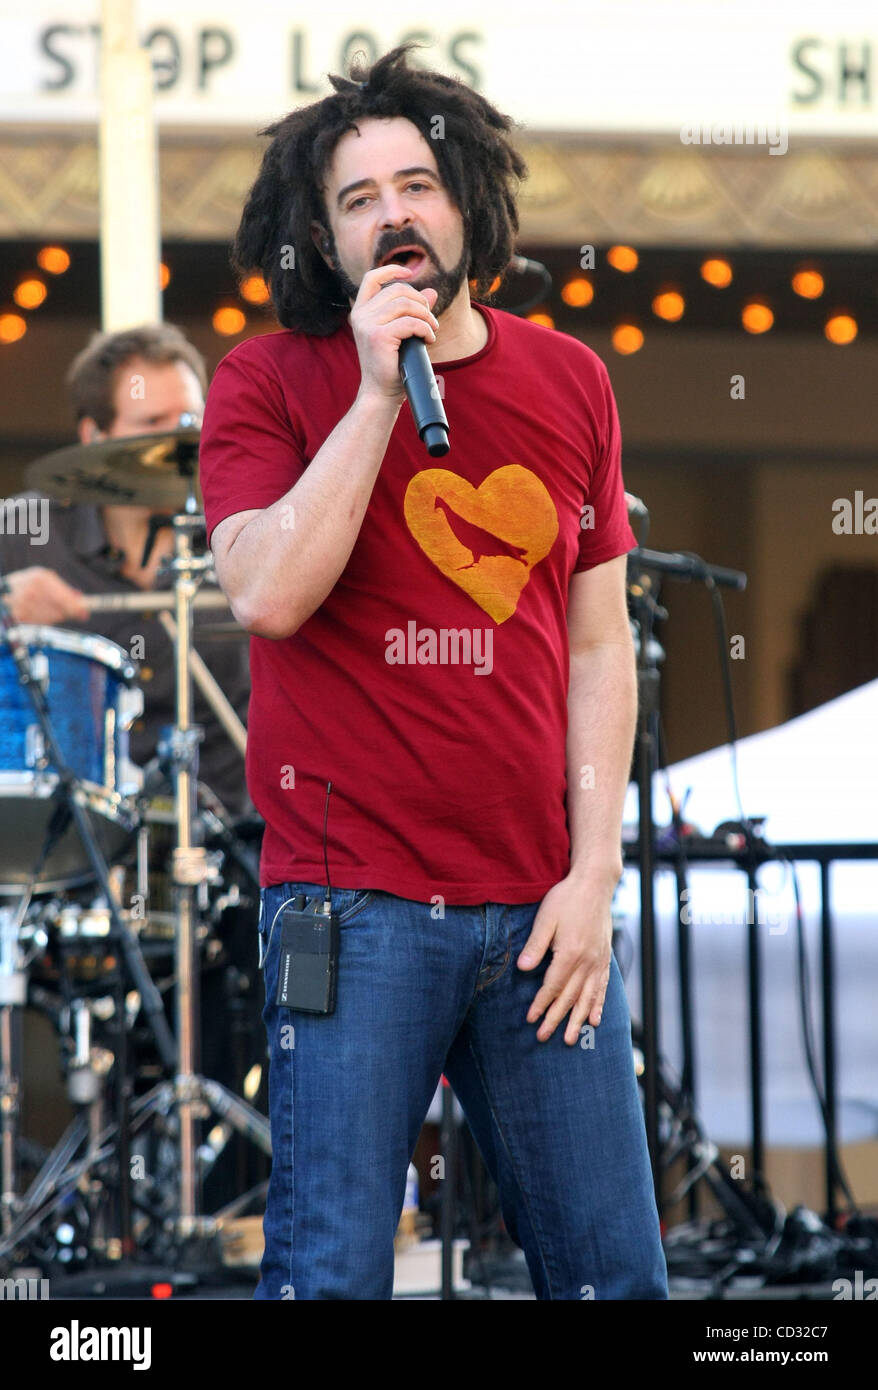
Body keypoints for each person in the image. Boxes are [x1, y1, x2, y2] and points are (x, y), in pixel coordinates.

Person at [199, 44, 668, 1300]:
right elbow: (266, 591)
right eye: (358, 200)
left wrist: (592, 873)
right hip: (351, 908)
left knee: (615, 1276)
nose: (393, 214)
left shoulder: (568, 377)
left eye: (416, 184)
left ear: (466, 201)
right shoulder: (267, 381)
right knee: (331, 1274)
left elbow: (597, 641)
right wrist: (369, 395)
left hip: (540, 917)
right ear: (323, 234)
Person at [0, 323, 250, 815]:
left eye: (189, 420)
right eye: (152, 423)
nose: (179, 439)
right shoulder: (23, 532)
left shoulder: (244, 535)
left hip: (232, 849)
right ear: (95, 435)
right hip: (71, 840)